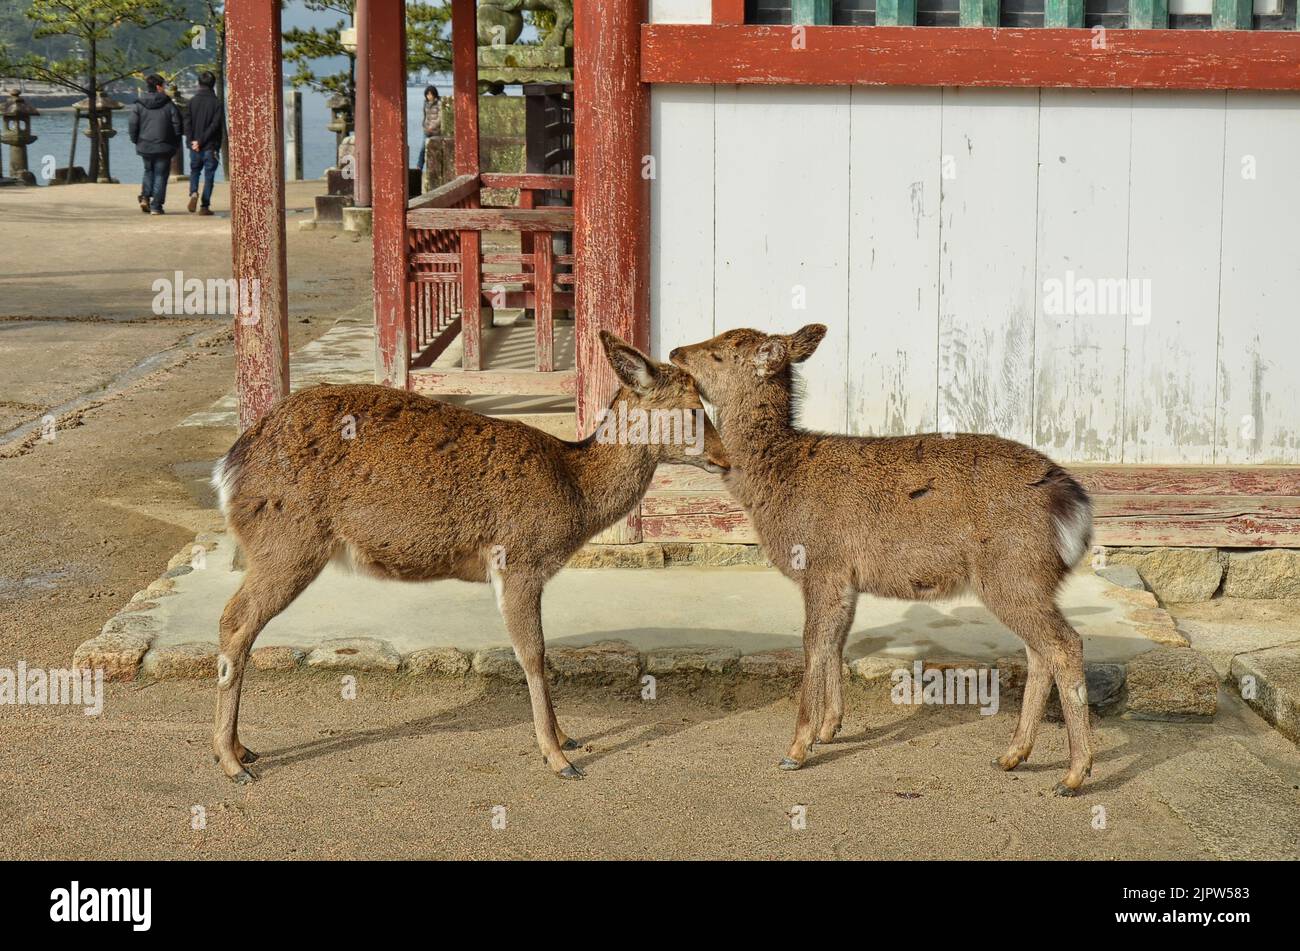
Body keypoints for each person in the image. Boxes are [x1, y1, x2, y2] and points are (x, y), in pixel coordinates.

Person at [128, 74, 183, 215]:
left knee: (148, 170)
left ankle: (145, 197)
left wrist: (135, 139)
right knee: (160, 174)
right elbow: (177, 125)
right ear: (159, 86)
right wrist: (176, 141)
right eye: (163, 85)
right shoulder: (169, 104)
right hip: (164, 145)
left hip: (144, 144)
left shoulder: (138, 104)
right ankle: (156, 206)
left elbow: (133, 124)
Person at [185, 71, 224, 215]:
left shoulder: (192, 101)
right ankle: (204, 206)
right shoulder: (216, 103)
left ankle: (193, 192)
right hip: (210, 146)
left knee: (194, 171)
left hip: (194, 147)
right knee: (209, 176)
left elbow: (187, 123)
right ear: (213, 84)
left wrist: (192, 142)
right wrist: (202, 141)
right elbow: (215, 126)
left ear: (199, 83)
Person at [416, 85, 441, 175]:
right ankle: (419, 166)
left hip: (436, 131)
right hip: (427, 130)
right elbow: (425, 115)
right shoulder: (425, 103)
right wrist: (424, 125)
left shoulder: (439, 103)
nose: (429, 96)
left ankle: (434, 169)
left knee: (435, 149)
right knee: (423, 148)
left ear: (434, 94)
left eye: (430, 94)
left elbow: (440, 117)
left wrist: (432, 127)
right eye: (427, 94)